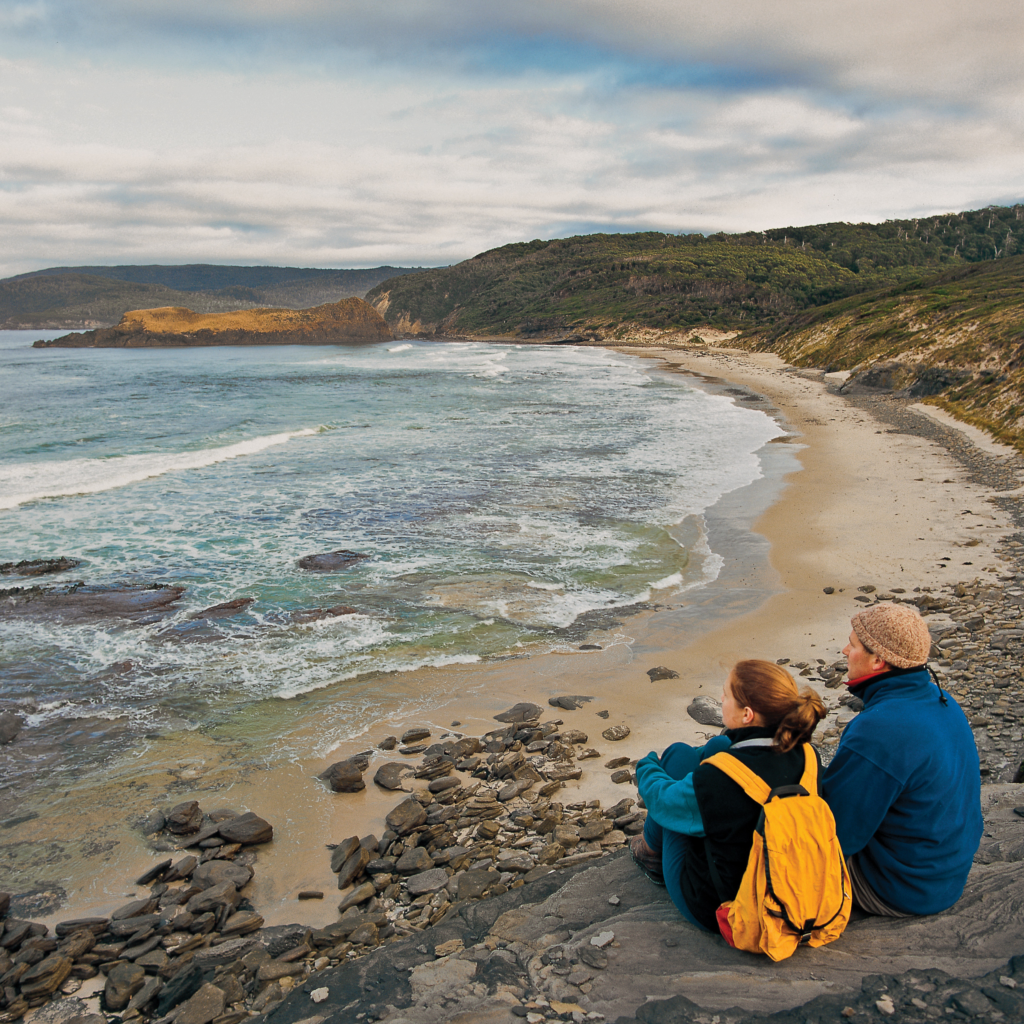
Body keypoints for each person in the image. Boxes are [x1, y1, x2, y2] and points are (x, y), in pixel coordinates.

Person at [632, 660, 826, 932]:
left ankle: (649, 853)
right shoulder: (807, 755)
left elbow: (663, 801)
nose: (721, 699)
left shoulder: (719, 779)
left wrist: (648, 764)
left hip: (724, 909)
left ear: (747, 714)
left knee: (677, 755)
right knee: (719, 744)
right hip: (791, 892)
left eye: (726, 695)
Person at [822, 602, 982, 917]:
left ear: (878, 661)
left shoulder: (879, 731)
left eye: (853, 645)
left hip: (899, 888)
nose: (844, 650)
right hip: (943, 874)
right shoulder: (941, 700)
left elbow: (835, 836)